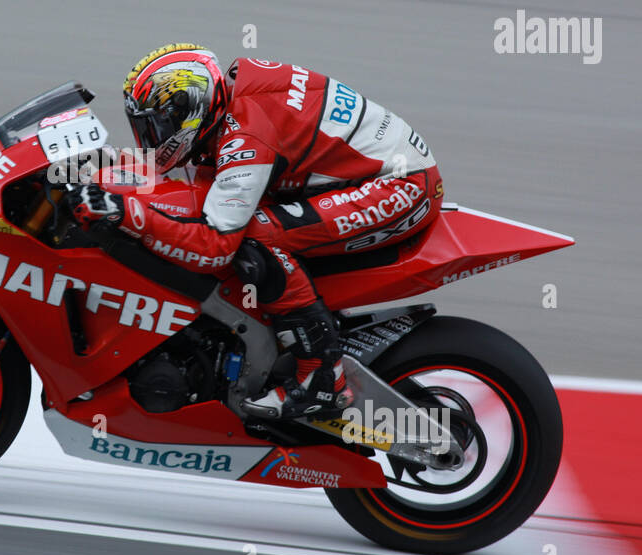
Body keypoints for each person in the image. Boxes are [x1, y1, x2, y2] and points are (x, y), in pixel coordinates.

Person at [66, 43, 444, 420]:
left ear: (190, 109)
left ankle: (322, 378)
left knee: (255, 237)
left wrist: (129, 215)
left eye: (159, 124)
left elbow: (215, 248)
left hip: (399, 185)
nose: (152, 138)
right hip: (365, 170)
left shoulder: (246, 136)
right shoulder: (231, 97)